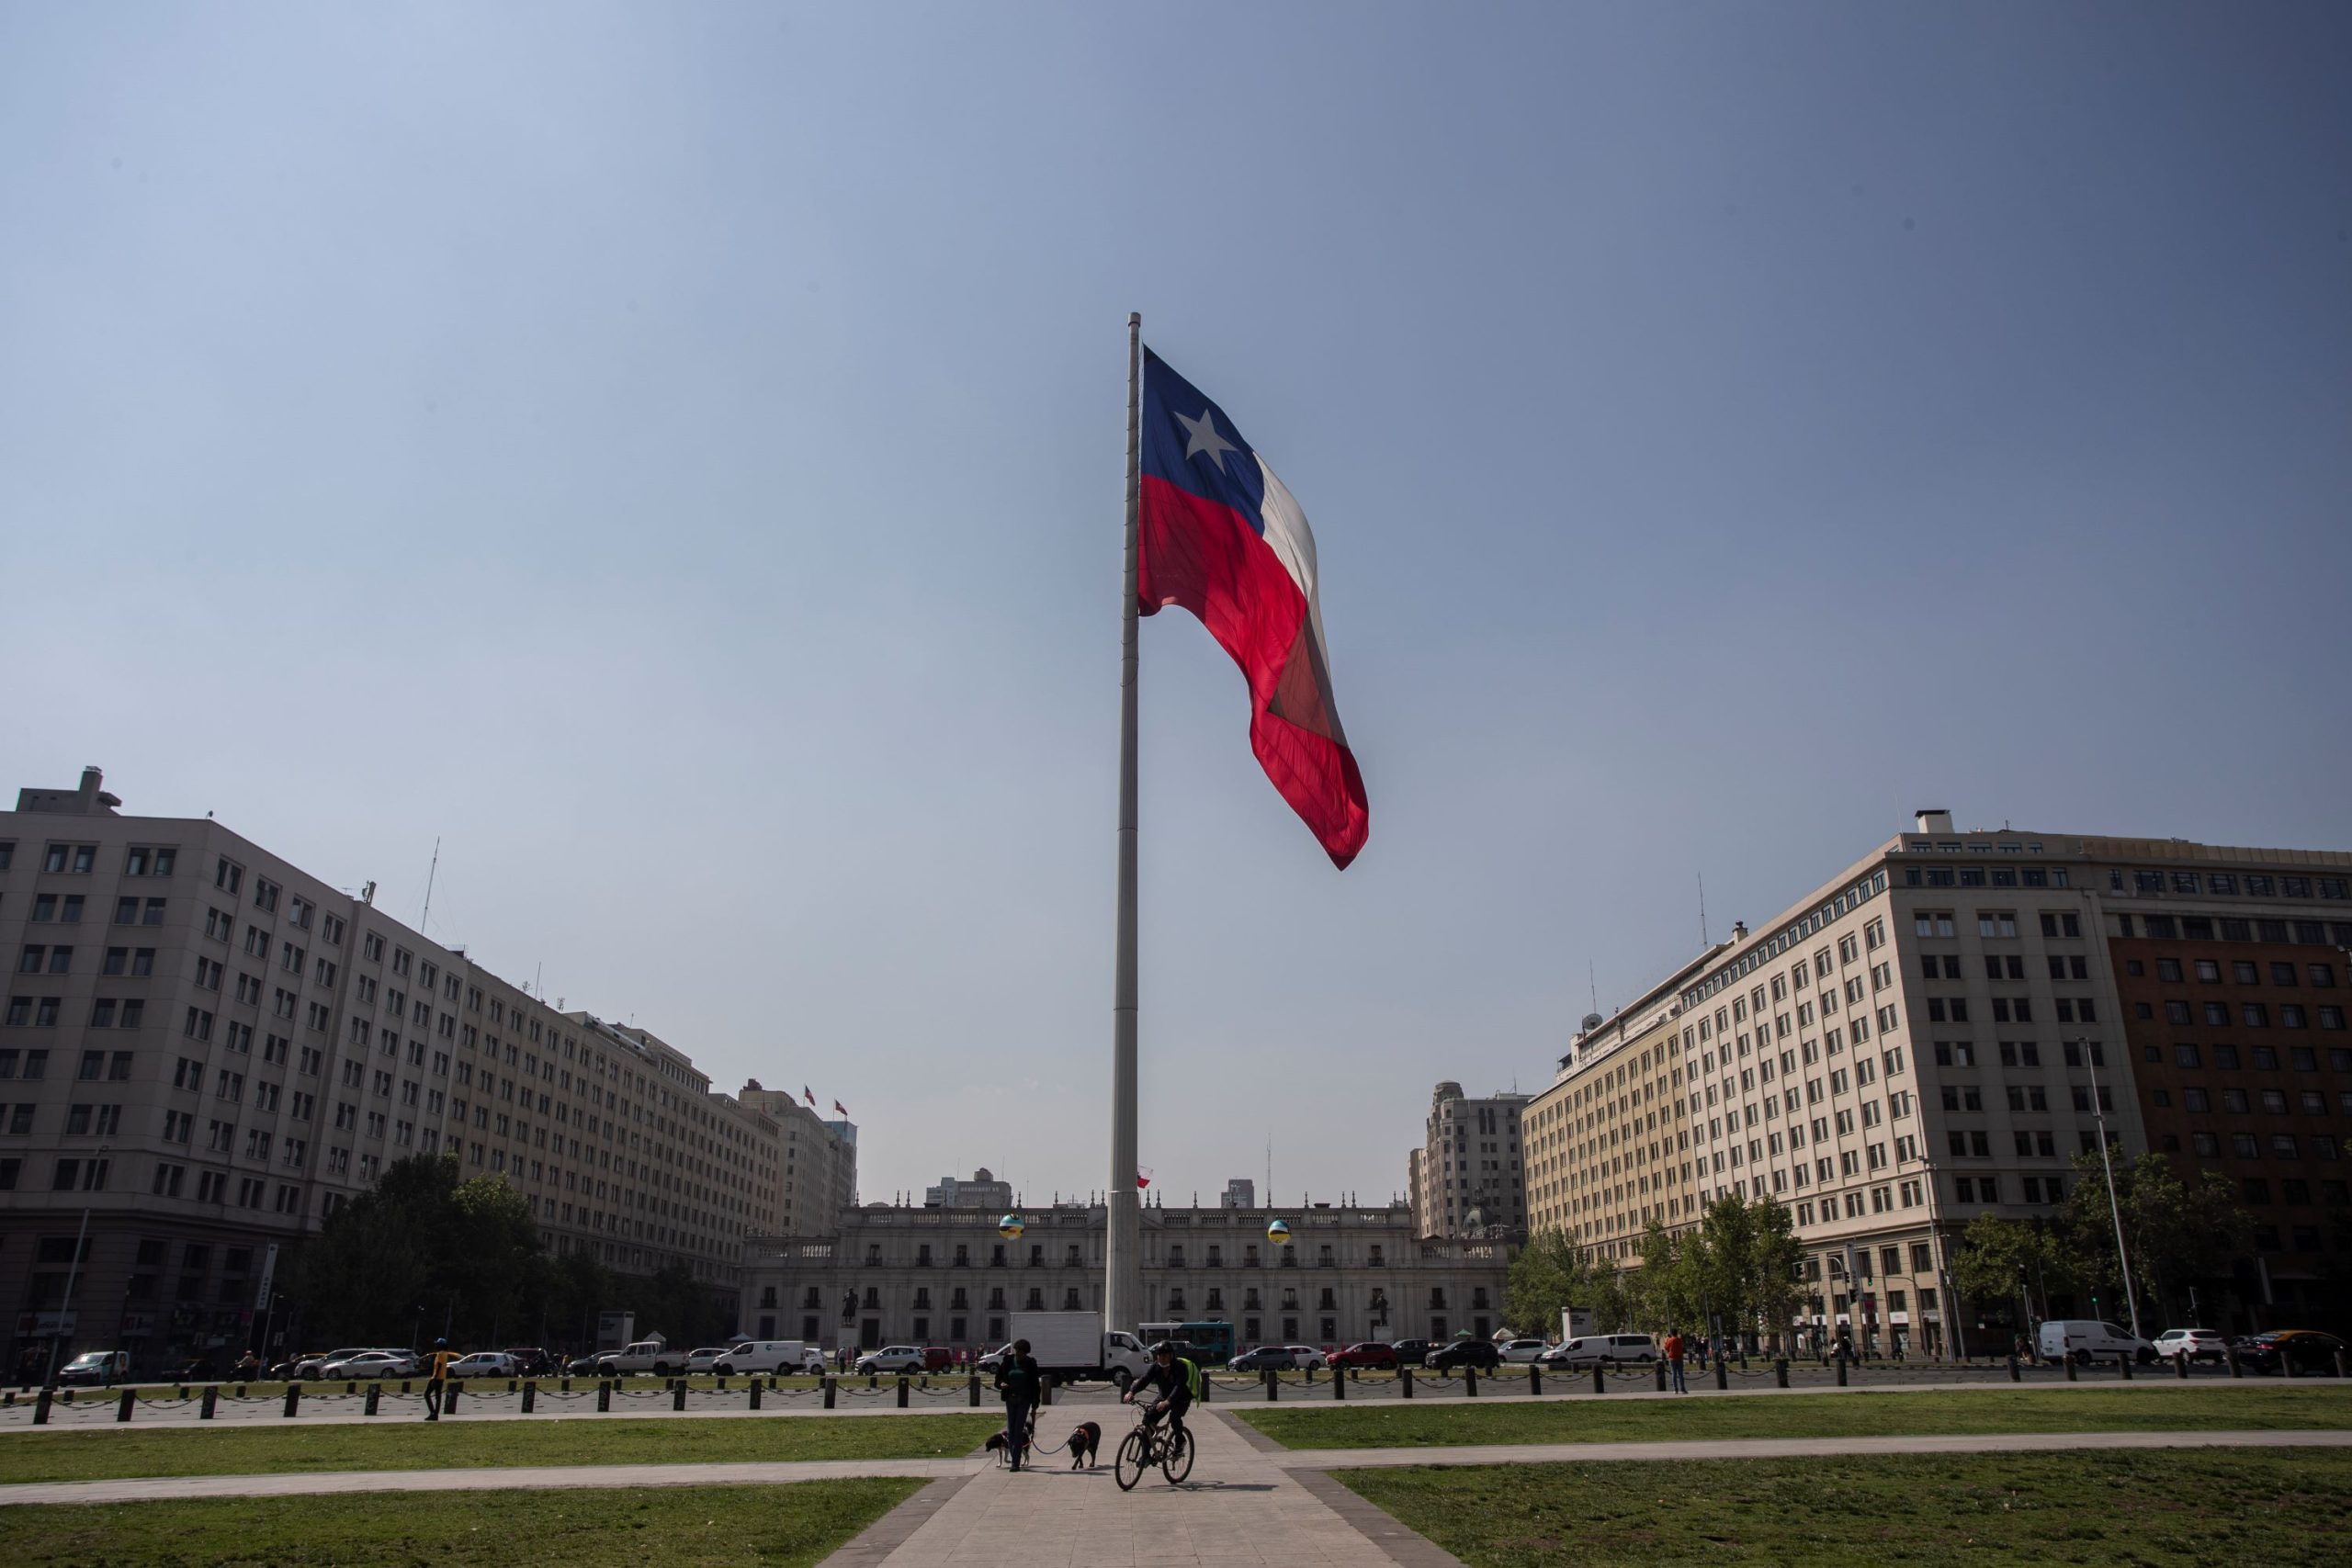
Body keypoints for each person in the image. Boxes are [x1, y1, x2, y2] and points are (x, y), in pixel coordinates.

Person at [1123, 1340, 1199, 1465]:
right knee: (1148, 1419)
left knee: (1174, 1417)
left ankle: (1180, 1441)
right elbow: (1145, 1379)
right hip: (1164, 1396)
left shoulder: (1180, 1367)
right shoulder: (1156, 1367)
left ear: (1171, 1356)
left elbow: (1179, 1387)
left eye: (1165, 1356)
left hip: (1182, 1397)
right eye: (1159, 1355)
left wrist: (1168, 1401)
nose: (1162, 1358)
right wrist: (1131, 1392)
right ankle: (1146, 1456)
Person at [992, 1337, 1043, 1471]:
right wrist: (1001, 1384)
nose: (1019, 1355)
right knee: (1010, 1431)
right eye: (1017, 1351)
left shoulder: (1030, 1363)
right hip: (1010, 1399)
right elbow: (997, 1379)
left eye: (1021, 1353)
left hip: (1024, 1400)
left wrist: (1035, 1406)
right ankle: (1015, 1457)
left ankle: (1015, 1462)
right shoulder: (1008, 1361)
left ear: (1026, 1353)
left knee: (1018, 1430)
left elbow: (1035, 1386)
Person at [422, 1338, 454, 1421]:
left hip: (436, 1377)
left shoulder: (440, 1354)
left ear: (440, 1345)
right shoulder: (445, 1354)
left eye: (437, 1344)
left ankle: (432, 1412)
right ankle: (435, 1414)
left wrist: (434, 1379)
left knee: (426, 1394)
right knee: (438, 1396)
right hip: (442, 1377)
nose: (436, 1346)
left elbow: (439, 1366)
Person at [1662, 1329, 1687, 1394]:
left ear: (1671, 1333)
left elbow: (1666, 1348)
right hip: (1679, 1358)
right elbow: (1682, 1347)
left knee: (1674, 1374)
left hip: (1672, 1358)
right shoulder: (1680, 1340)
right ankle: (1683, 1389)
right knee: (1681, 1374)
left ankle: (1675, 1389)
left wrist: (1666, 1341)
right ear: (1676, 1333)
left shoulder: (1669, 1340)